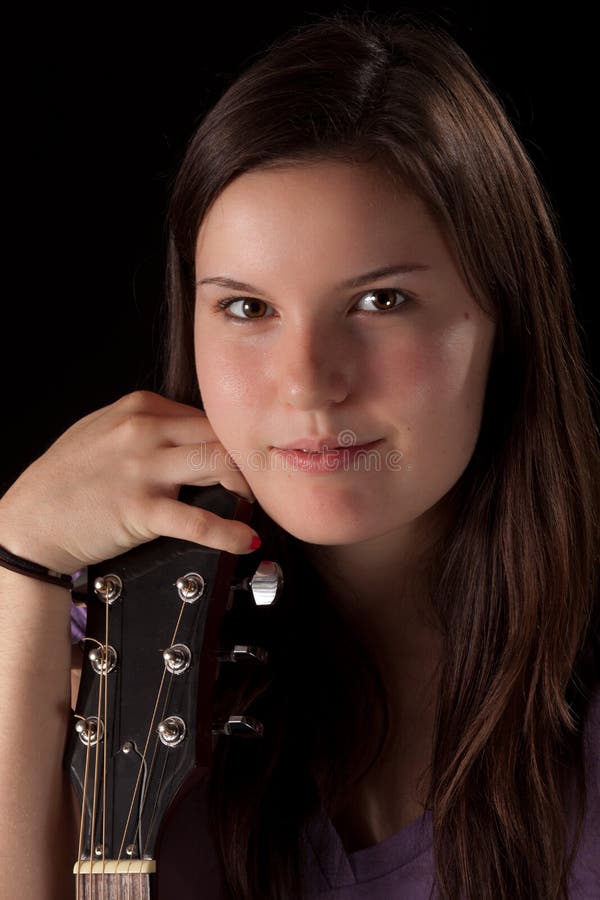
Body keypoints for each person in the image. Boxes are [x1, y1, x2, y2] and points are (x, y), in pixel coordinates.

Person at [0, 9, 598, 900]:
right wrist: (22, 559)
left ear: (502, 320)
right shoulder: (95, 651)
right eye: (247, 309)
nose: (308, 385)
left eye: (381, 301)